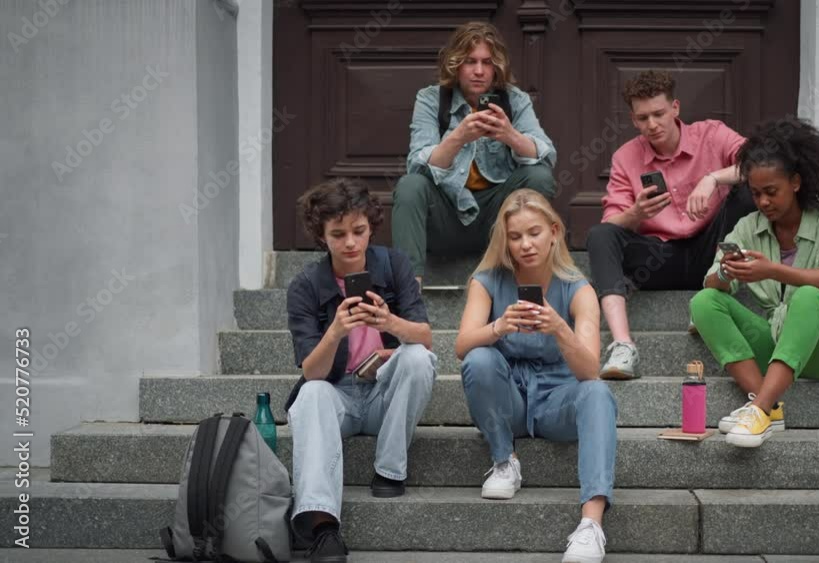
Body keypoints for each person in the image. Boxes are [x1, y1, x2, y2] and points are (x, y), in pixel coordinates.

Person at [456, 189, 617, 563]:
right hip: (507, 398)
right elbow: (462, 345)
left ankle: (591, 524)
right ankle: (504, 460)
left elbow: (590, 371)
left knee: (597, 394)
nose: (525, 244)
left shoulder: (578, 289)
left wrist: (560, 328)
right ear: (505, 241)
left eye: (534, 233)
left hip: (558, 401)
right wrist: (499, 326)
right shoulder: (487, 280)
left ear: (554, 232)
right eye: (515, 237)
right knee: (479, 358)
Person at [285, 178, 437, 562]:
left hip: (384, 393)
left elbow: (425, 337)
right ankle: (322, 527)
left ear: (371, 227)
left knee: (417, 358)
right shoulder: (306, 286)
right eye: (338, 234)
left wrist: (390, 324)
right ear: (322, 236)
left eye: (359, 231)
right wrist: (335, 331)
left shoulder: (395, 264)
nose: (351, 243)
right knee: (311, 394)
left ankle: (389, 470)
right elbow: (314, 372)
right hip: (339, 396)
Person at [690, 117, 819, 448]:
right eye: (755, 194)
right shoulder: (747, 227)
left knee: (810, 295)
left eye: (771, 192)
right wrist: (727, 271)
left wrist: (773, 271)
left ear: (796, 182)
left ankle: (758, 407)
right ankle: (769, 408)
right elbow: (713, 285)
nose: (763, 202)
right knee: (703, 302)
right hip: (776, 343)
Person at [586, 70, 755, 380]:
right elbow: (611, 222)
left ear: (675, 108)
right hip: (659, 258)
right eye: (643, 118)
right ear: (633, 120)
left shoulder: (711, 134)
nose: (652, 124)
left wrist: (712, 178)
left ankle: (712, 295)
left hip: (713, 251)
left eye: (659, 114)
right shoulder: (626, 157)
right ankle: (623, 345)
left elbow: (760, 163)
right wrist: (636, 213)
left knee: (747, 192)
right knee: (600, 236)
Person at [394, 21, 557, 285]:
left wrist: (509, 135)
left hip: (499, 223)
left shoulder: (515, 100)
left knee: (539, 177)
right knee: (410, 186)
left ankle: (530, 281)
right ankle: (409, 288)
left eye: (487, 62)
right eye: (470, 62)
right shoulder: (430, 99)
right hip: (446, 219)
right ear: (455, 64)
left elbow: (547, 156)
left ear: (497, 67)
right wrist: (458, 137)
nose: (479, 71)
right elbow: (417, 165)